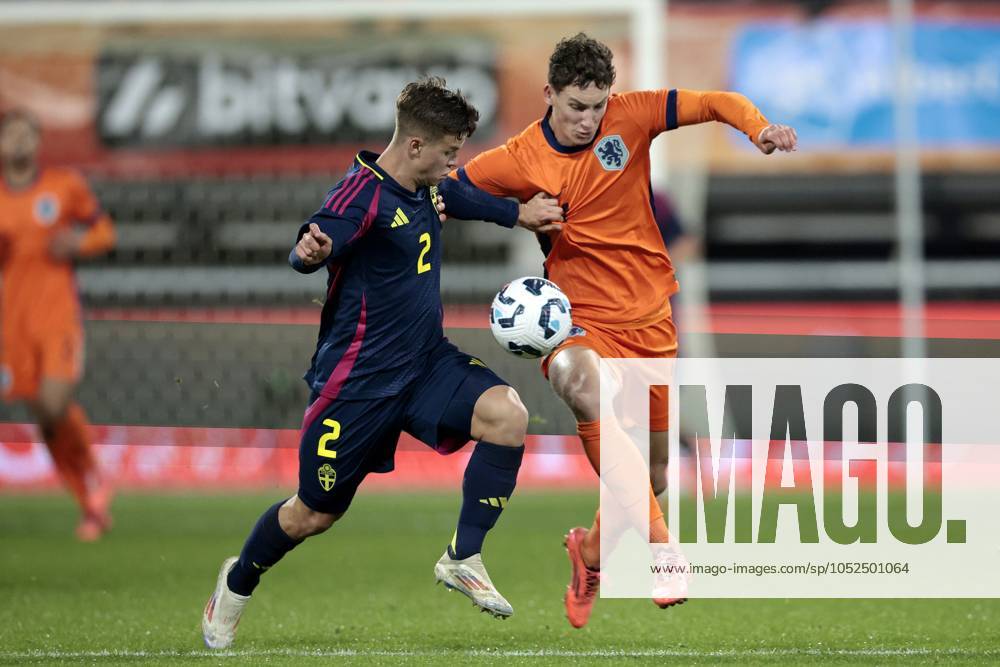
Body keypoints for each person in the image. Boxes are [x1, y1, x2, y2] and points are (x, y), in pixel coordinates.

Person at [201, 77, 563, 650]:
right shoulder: (360, 194)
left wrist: (517, 213)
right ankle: (237, 581)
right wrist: (308, 252)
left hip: (424, 365)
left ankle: (462, 555)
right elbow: (317, 236)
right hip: (357, 386)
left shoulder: (425, 184)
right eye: (448, 152)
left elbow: (458, 196)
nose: (454, 163)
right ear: (416, 146)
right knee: (312, 514)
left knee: (507, 416)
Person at [451, 33, 797, 628]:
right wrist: (516, 212)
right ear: (548, 95)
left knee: (655, 471)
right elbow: (449, 191)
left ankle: (589, 555)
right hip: (577, 321)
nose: (588, 120)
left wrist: (758, 128)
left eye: (596, 106)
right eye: (575, 107)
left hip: (650, 319)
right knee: (580, 384)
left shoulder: (632, 116)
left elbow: (715, 101)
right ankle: (665, 552)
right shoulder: (519, 156)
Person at [0, 109, 117, 541]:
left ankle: (94, 475)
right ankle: (90, 502)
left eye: (25, 133)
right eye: (9, 133)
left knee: (53, 403)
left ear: (37, 142)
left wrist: (79, 241)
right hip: (12, 322)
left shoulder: (63, 187)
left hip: (57, 317)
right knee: (44, 419)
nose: (17, 140)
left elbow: (106, 231)